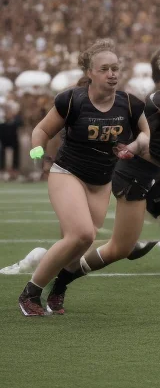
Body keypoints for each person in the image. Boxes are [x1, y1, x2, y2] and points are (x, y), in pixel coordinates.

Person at [36, 46, 160, 314]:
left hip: (150, 175)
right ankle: (56, 278)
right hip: (133, 174)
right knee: (118, 248)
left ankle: (58, 270)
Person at [16, 38, 149, 316]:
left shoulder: (130, 103)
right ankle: (29, 294)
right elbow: (41, 131)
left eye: (115, 68)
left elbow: (145, 136)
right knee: (82, 233)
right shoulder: (72, 99)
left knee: (81, 243)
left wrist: (133, 147)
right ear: (90, 72)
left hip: (101, 181)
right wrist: (38, 156)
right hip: (67, 173)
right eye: (104, 69)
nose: (112, 74)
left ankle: (59, 288)